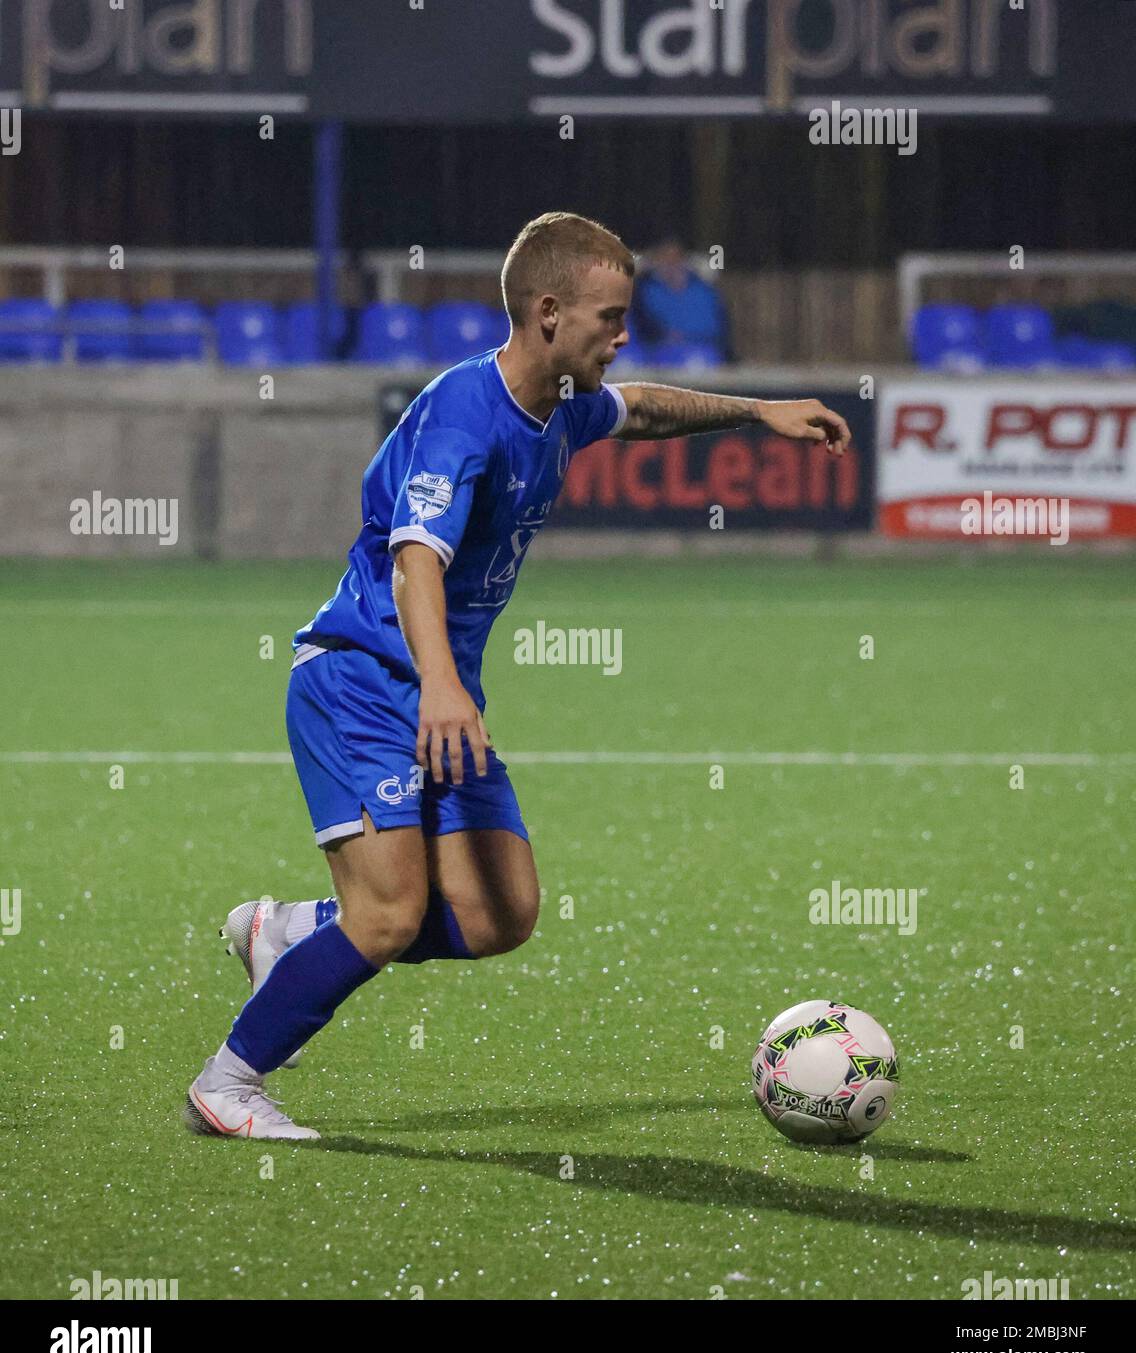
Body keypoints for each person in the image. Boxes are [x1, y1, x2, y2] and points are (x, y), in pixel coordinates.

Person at [184, 211, 850, 1139]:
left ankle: (289, 936)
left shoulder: (560, 405)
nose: (624, 335)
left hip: (436, 691)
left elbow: (645, 408)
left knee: (503, 914)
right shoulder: (467, 415)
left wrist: (758, 409)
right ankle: (230, 1082)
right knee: (387, 915)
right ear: (547, 313)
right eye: (610, 318)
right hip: (367, 679)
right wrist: (445, 684)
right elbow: (419, 559)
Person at [631, 235, 731, 359]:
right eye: (665, 259)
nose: (670, 265)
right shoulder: (647, 291)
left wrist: (686, 336)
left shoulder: (702, 291)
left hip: (702, 350)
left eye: (675, 259)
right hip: (660, 350)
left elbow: (714, 326)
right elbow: (644, 327)